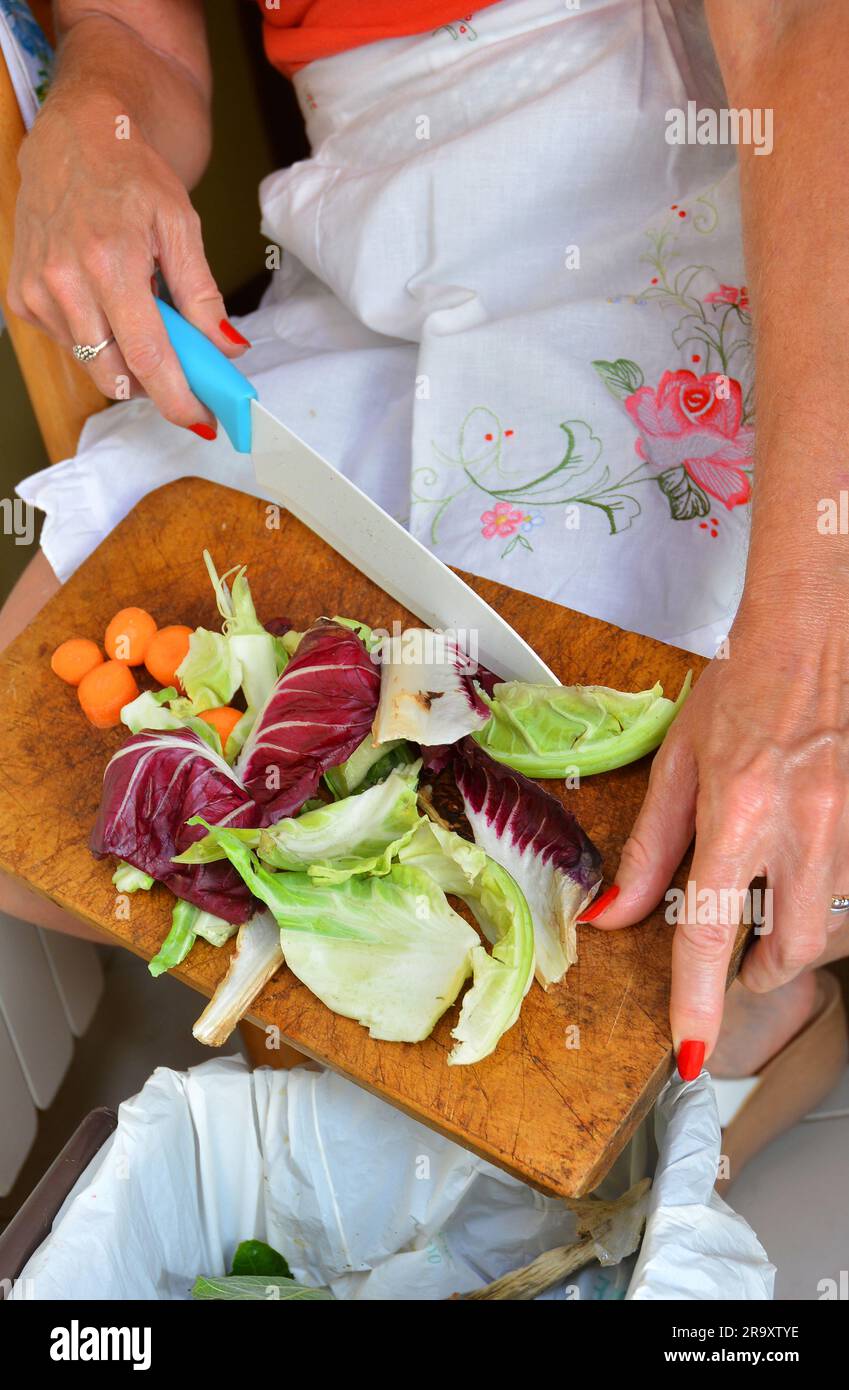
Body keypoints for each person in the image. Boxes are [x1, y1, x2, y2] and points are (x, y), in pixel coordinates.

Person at [2, 0, 848, 1149]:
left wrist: (805, 652)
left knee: (684, 836)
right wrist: (97, 109)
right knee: (38, 810)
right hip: (365, 231)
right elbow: (137, 35)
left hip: (692, 165)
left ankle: (737, 1043)